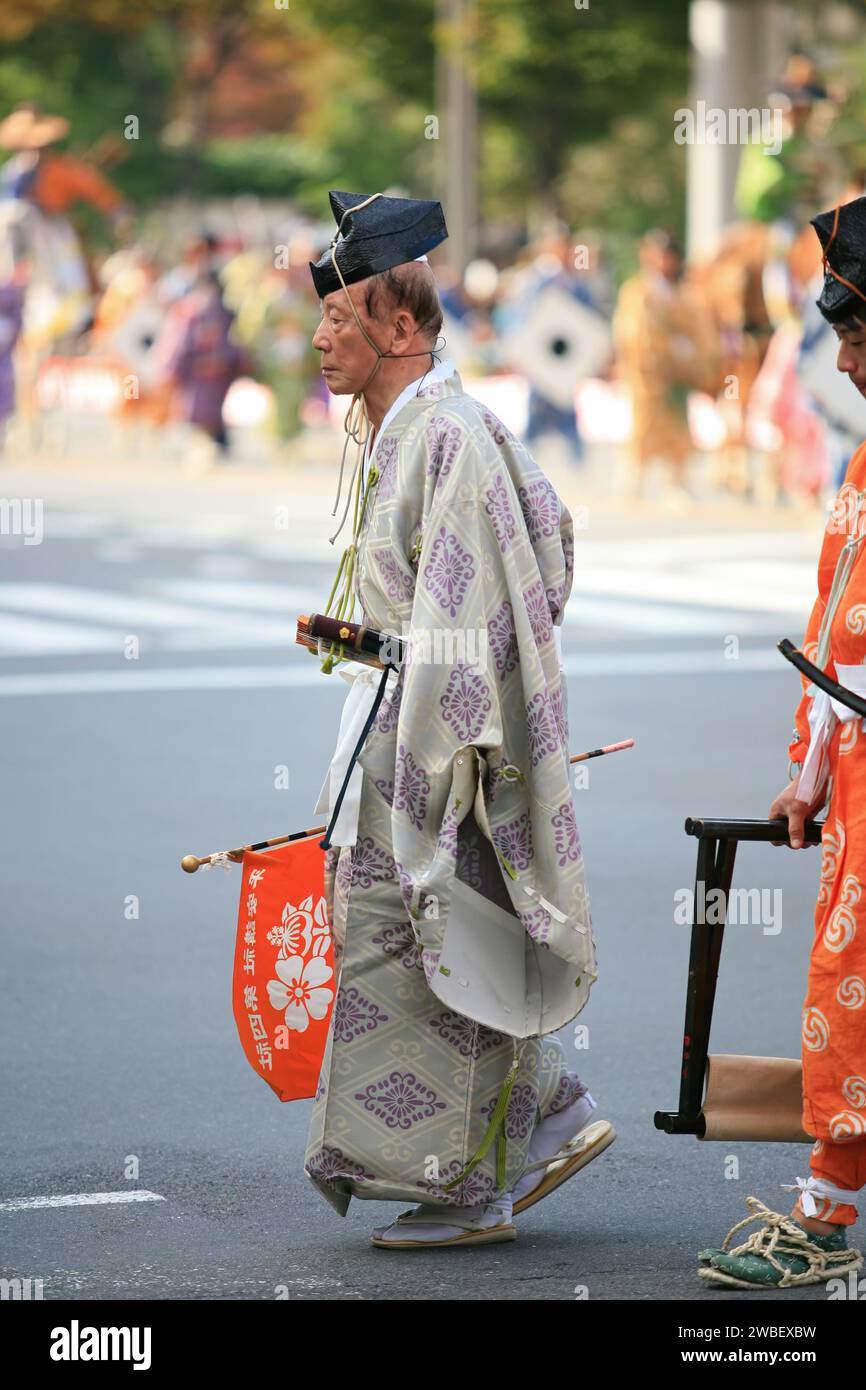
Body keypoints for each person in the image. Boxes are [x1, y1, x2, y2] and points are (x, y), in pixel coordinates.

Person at [302, 190, 613, 1248]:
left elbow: (482, 591)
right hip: (403, 719)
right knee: (437, 942)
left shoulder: (446, 434)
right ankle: (553, 1109)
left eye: (337, 320)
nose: (317, 340)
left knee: (421, 946)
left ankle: (470, 1186)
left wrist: (446, 747)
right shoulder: (417, 426)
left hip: (434, 738)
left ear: (398, 327)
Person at [698, 195, 866, 1290]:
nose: (844, 363)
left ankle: (822, 1206)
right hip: (859, 780)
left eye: (857, 335)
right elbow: (831, 626)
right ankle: (826, 1200)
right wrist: (805, 773)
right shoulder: (858, 470)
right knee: (849, 980)